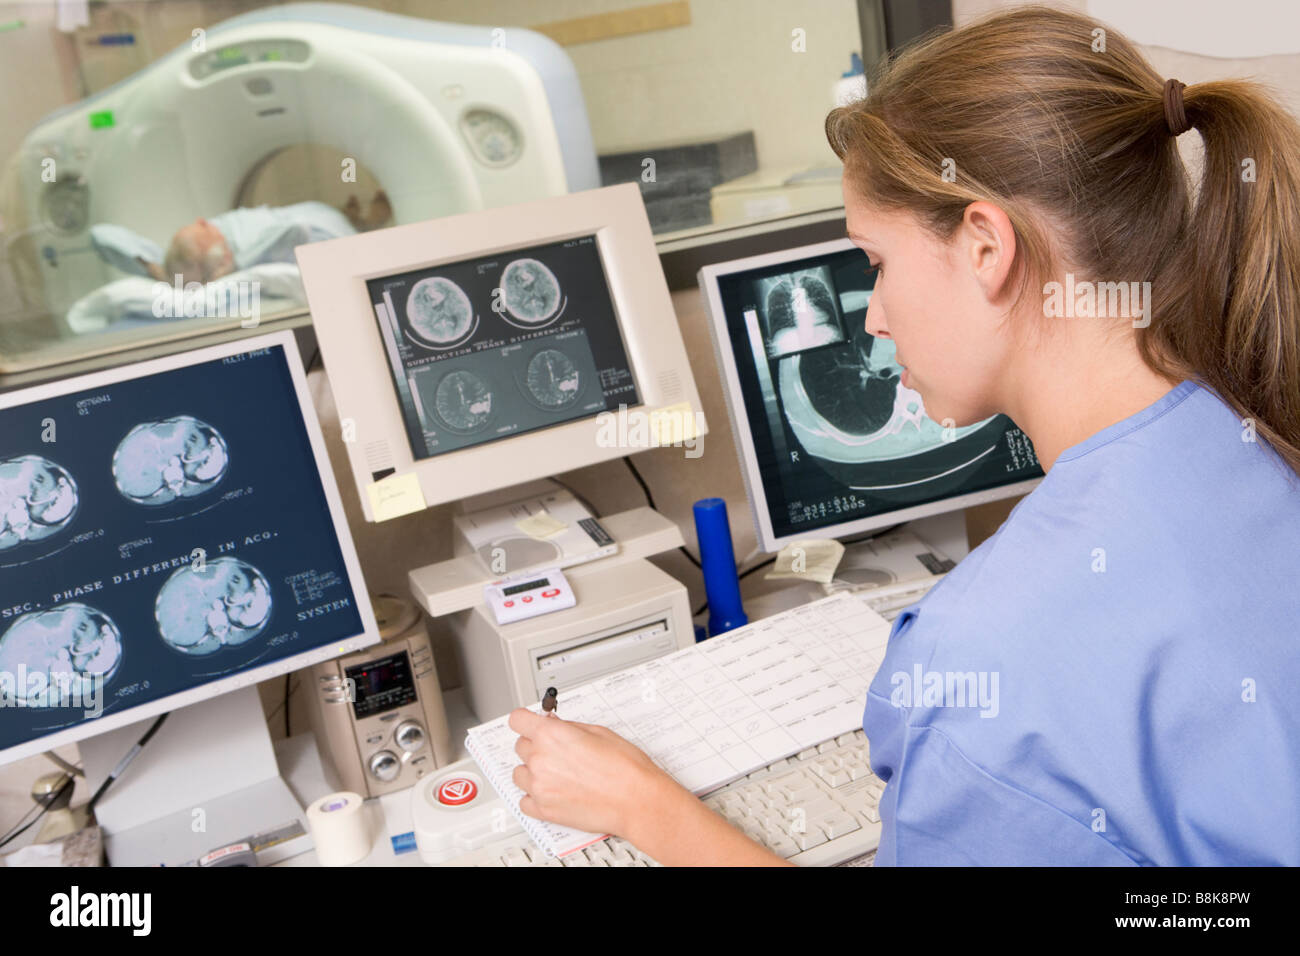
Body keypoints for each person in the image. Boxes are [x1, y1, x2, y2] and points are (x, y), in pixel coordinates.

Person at [505, 5, 1300, 866]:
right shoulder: (1256, 437)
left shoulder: (982, 664)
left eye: (876, 262)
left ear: (987, 246)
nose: (875, 316)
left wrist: (644, 807)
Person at [133, 193, 391, 286]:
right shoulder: (181, 261)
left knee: (303, 231)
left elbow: (297, 230)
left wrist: (233, 266)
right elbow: (104, 237)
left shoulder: (236, 243)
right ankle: (357, 219)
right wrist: (148, 263)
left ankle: (357, 220)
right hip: (322, 222)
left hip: (319, 226)